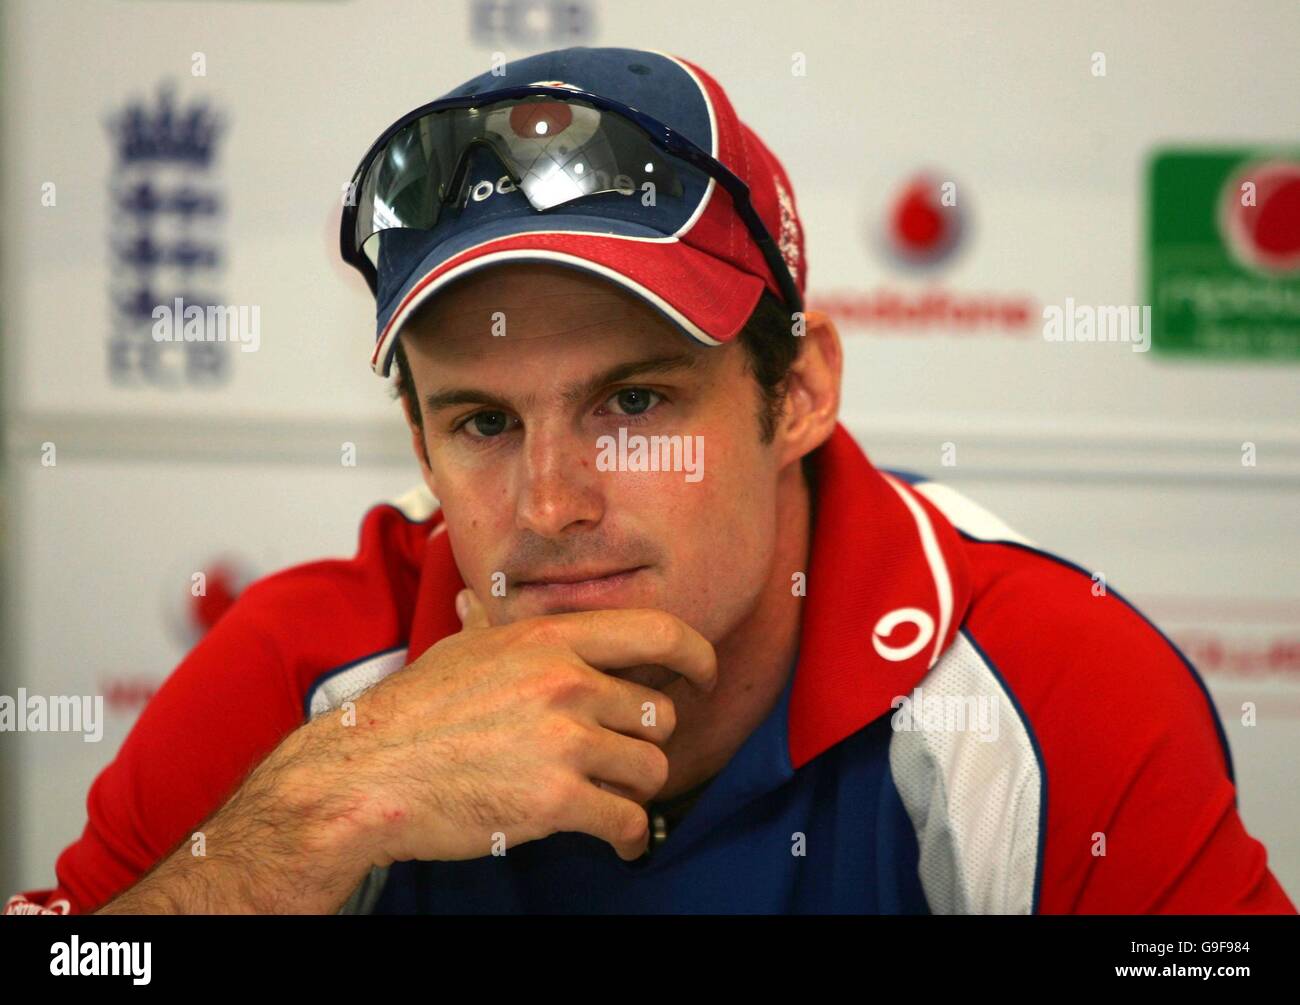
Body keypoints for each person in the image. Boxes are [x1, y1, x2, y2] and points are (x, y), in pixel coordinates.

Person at [6, 45, 1294, 915]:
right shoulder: (307, 678)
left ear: (797, 395)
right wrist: (310, 822)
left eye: (633, 403)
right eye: (483, 423)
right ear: (420, 451)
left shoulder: (1050, 687)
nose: (551, 504)